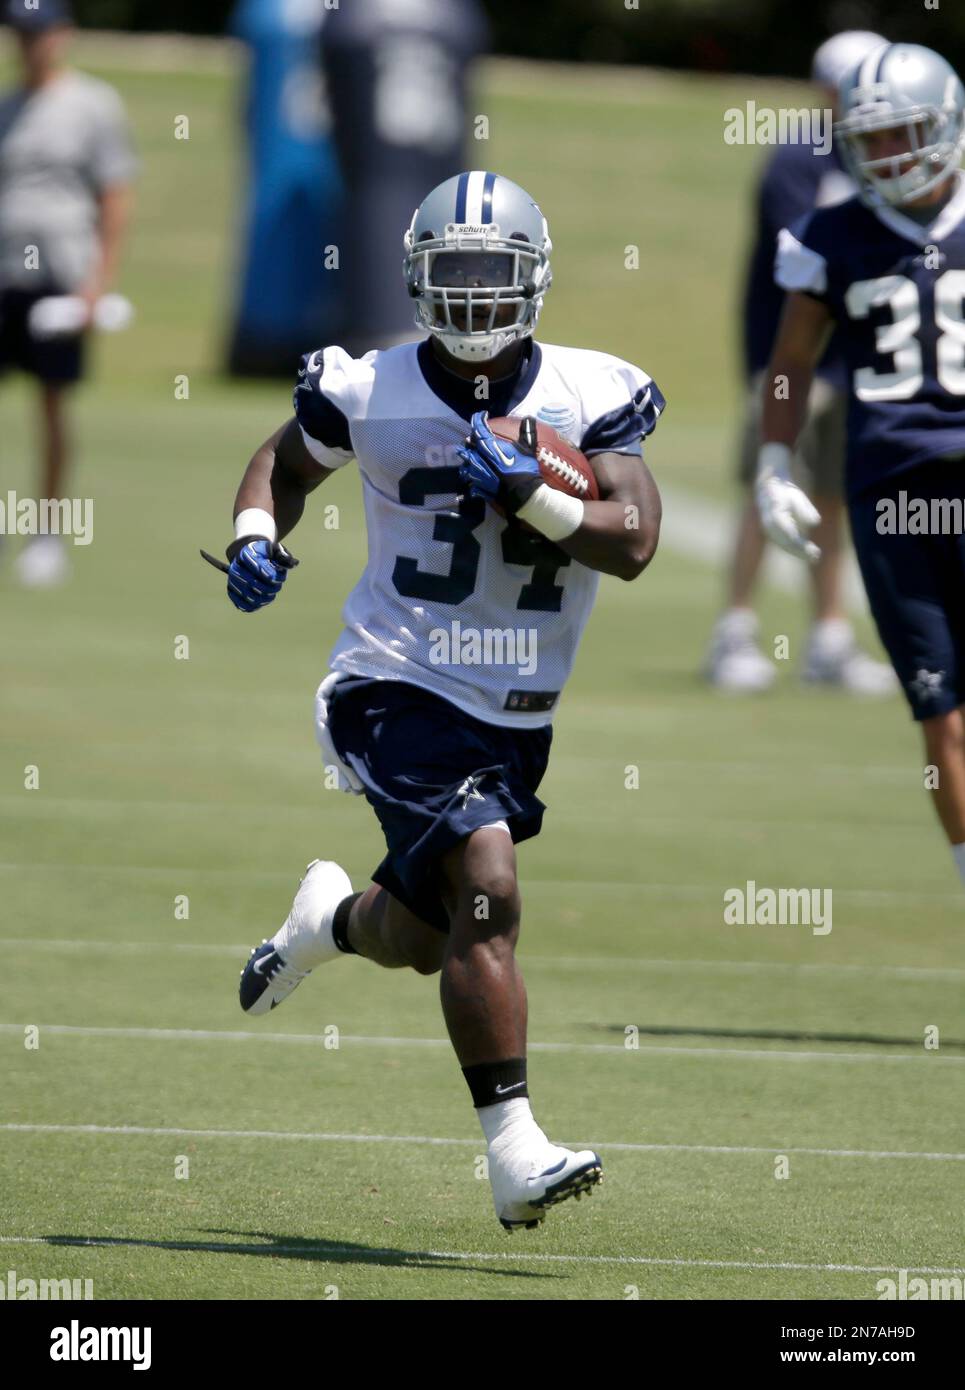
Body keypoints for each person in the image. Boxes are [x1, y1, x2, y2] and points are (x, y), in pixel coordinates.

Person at [218, 172, 664, 1230]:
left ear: (533, 280)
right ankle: (514, 1155)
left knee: (425, 934)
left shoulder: (587, 393)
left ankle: (326, 920)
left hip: (514, 709)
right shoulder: (368, 386)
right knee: (487, 878)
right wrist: (251, 532)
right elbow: (284, 463)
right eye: (450, 276)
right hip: (391, 679)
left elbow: (634, 539)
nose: (470, 299)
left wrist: (535, 494)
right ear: (417, 275)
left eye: (490, 275)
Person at [756, 43, 965, 889]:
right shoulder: (828, 234)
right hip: (889, 492)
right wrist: (774, 462)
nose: (887, 155)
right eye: (870, 138)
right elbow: (789, 362)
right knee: (940, 709)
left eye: (903, 133)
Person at [706, 29, 894, 694]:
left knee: (832, 497)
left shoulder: (878, 153)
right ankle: (733, 633)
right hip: (788, 359)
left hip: (852, 360)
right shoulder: (797, 158)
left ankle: (828, 640)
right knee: (771, 487)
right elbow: (806, 264)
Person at [0, 0, 136, 586]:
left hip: (61, 280)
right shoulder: (6, 109)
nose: (28, 45)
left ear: (62, 34)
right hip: (5, 277)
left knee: (51, 406)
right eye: (19, 34)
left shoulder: (91, 105)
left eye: (38, 34)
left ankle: (47, 534)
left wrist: (96, 283)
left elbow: (114, 194)